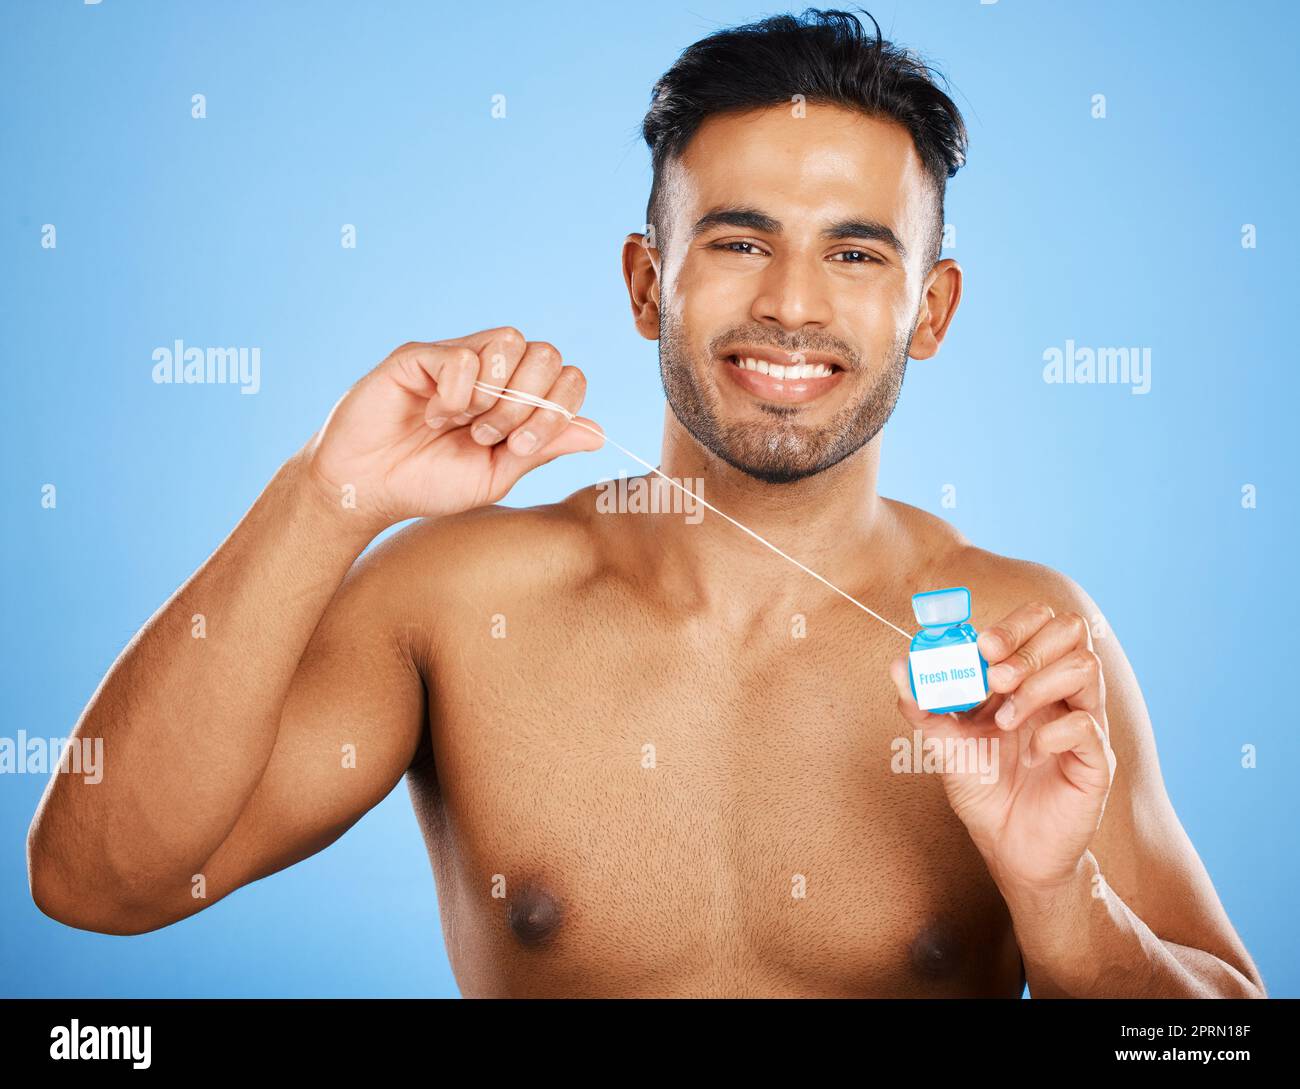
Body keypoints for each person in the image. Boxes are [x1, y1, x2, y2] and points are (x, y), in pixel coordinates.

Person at [28, 8, 1264, 998]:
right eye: (736, 241)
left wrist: (1060, 901)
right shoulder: (453, 605)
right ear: (644, 283)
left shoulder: (1018, 635)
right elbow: (102, 887)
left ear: (928, 312)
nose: (791, 303)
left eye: (854, 252)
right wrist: (325, 496)